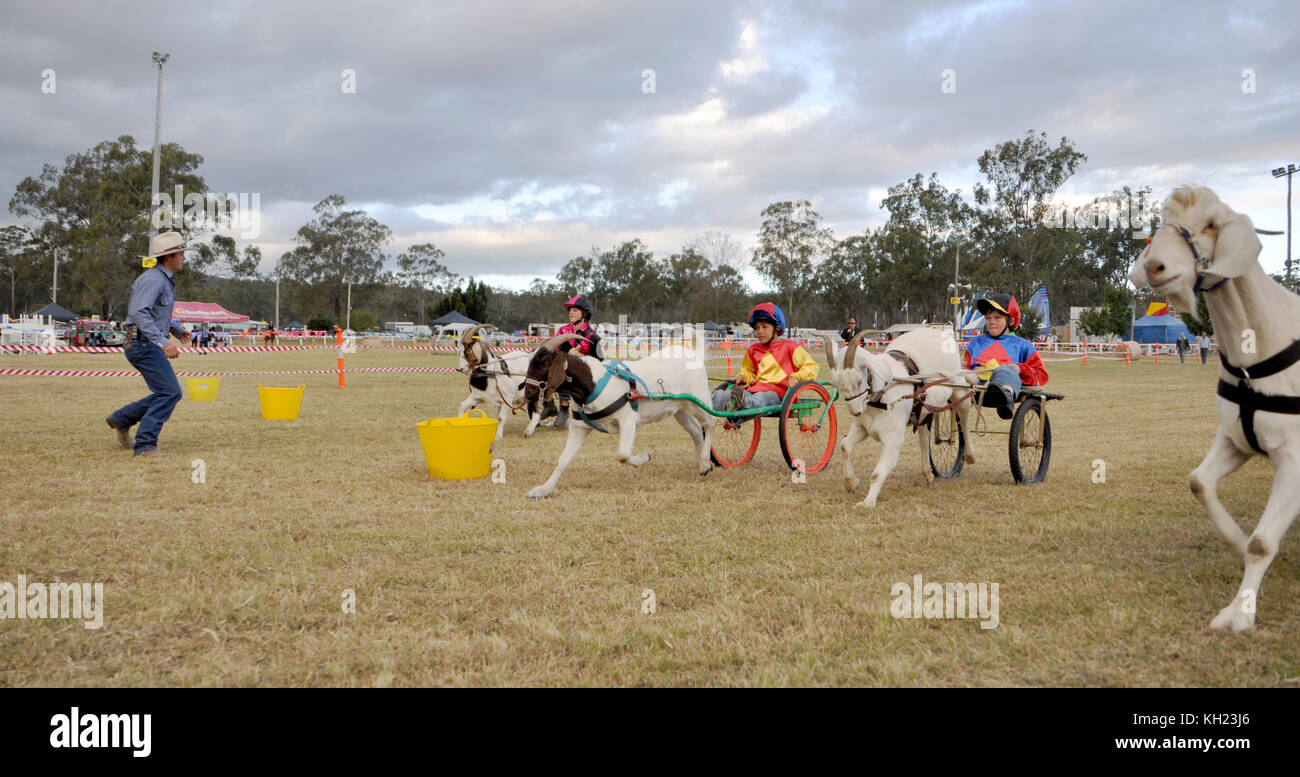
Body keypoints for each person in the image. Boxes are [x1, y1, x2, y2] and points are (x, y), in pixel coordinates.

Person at [105, 231, 192, 456]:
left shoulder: (162, 280)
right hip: (142, 343)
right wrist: (164, 342)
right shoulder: (154, 280)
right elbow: (139, 314)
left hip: (141, 342)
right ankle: (145, 445)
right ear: (169, 257)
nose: (183, 257)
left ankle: (122, 419)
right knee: (170, 392)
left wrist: (176, 329)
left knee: (166, 392)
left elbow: (155, 313)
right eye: (181, 253)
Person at [711, 303, 818, 416]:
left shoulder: (790, 347)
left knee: (761, 398)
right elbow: (749, 372)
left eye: (764, 327)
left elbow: (811, 366)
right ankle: (703, 403)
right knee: (722, 395)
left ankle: (739, 406)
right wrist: (743, 376)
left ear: (777, 327)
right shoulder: (753, 350)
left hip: (780, 394)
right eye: (757, 328)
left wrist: (797, 377)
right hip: (754, 390)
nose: (760, 331)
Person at [963, 293, 1049, 420]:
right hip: (975, 386)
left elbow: (1041, 375)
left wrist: (1020, 369)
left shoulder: (1024, 346)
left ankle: (1005, 395)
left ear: (1011, 321)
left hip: (1004, 382)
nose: (991, 322)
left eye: (997, 318)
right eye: (988, 318)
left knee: (1004, 369)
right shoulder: (975, 343)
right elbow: (967, 367)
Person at [540, 295, 603, 429]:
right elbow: (553, 351)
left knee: (565, 372)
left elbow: (599, 360)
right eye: (570, 310)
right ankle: (548, 405)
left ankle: (564, 409)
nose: (571, 313)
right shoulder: (562, 331)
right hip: (563, 366)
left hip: (582, 374)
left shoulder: (593, 336)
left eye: (575, 310)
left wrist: (581, 356)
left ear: (584, 314)